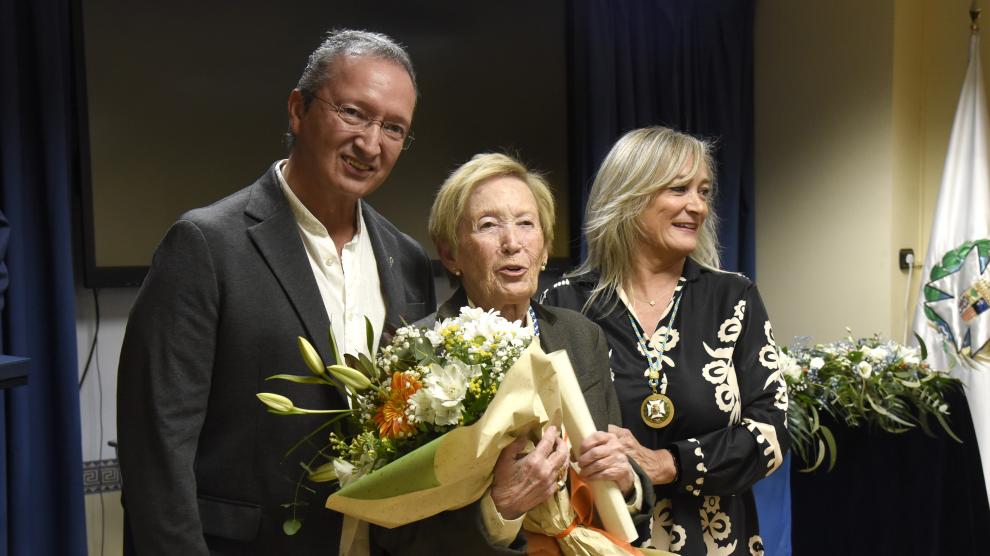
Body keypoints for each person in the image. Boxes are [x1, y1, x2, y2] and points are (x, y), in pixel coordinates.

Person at [117, 29, 436, 555]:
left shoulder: (407, 260)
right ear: (297, 110)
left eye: (394, 128)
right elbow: (157, 448)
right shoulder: (205, 245)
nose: (371, 143)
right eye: (353, 113)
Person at [369, 153, 654, 554]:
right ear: (450, 254)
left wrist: (626, 482)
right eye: (488, 226)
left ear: (544, 246)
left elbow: (618, 483)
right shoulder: (415, 352)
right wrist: (501, 508)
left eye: (526, 224)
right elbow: (395, 534)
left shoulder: (581, 336)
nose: (512, 243)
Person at [541, 127, 790, 555]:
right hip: (601, 540)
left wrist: (670, 463)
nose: (697, 206)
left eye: (704, 191)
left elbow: (771, 429)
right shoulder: (563, 303)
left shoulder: (733, 297)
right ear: (630, 194)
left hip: (716, 541)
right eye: (679, 189)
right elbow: (540, 431)